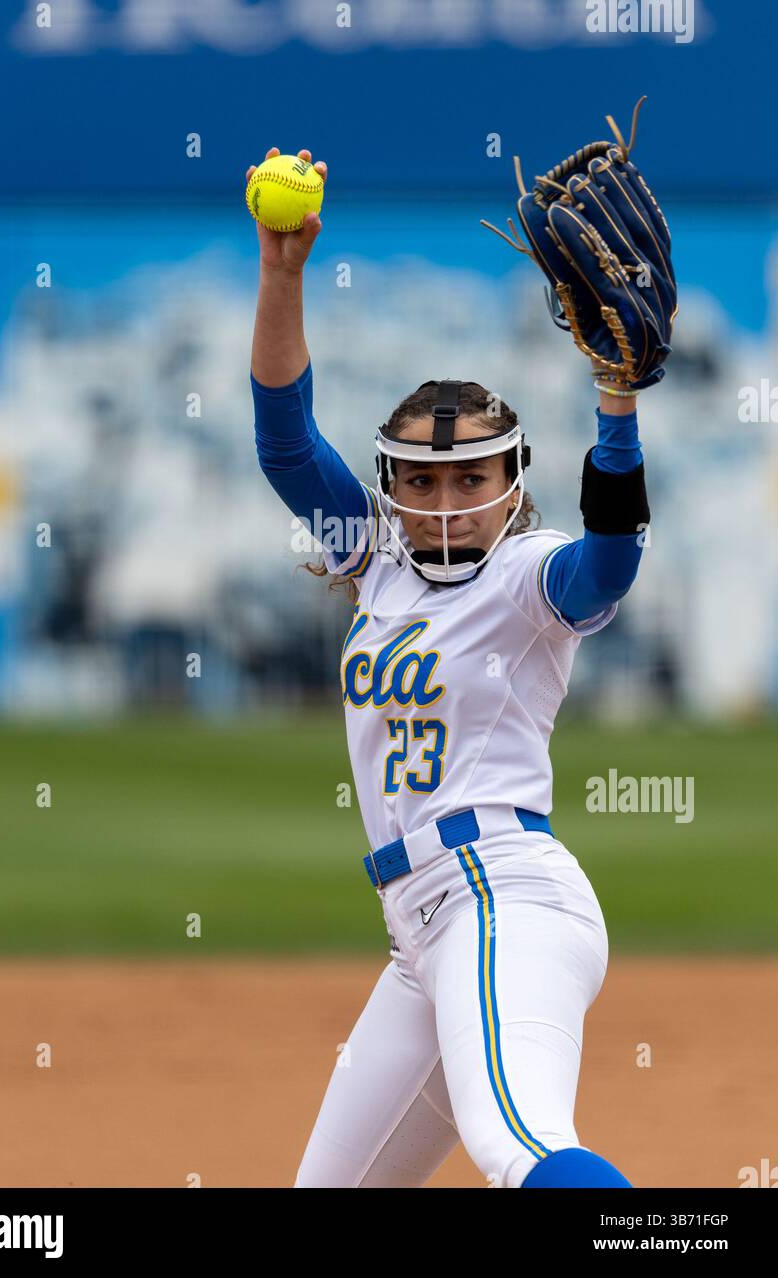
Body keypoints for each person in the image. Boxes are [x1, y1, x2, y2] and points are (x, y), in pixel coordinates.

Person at [249, 146, 646, 1188]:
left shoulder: (522, 573)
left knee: (517, 1147)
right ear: (392, 489)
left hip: (499, 894)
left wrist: (615, 411)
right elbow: (286, 447)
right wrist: (281, 272)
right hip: (417, 930)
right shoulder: (374, 558)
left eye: (468, 476)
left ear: (510, 481)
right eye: (422, 482)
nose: (444, 500)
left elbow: (607, 565)